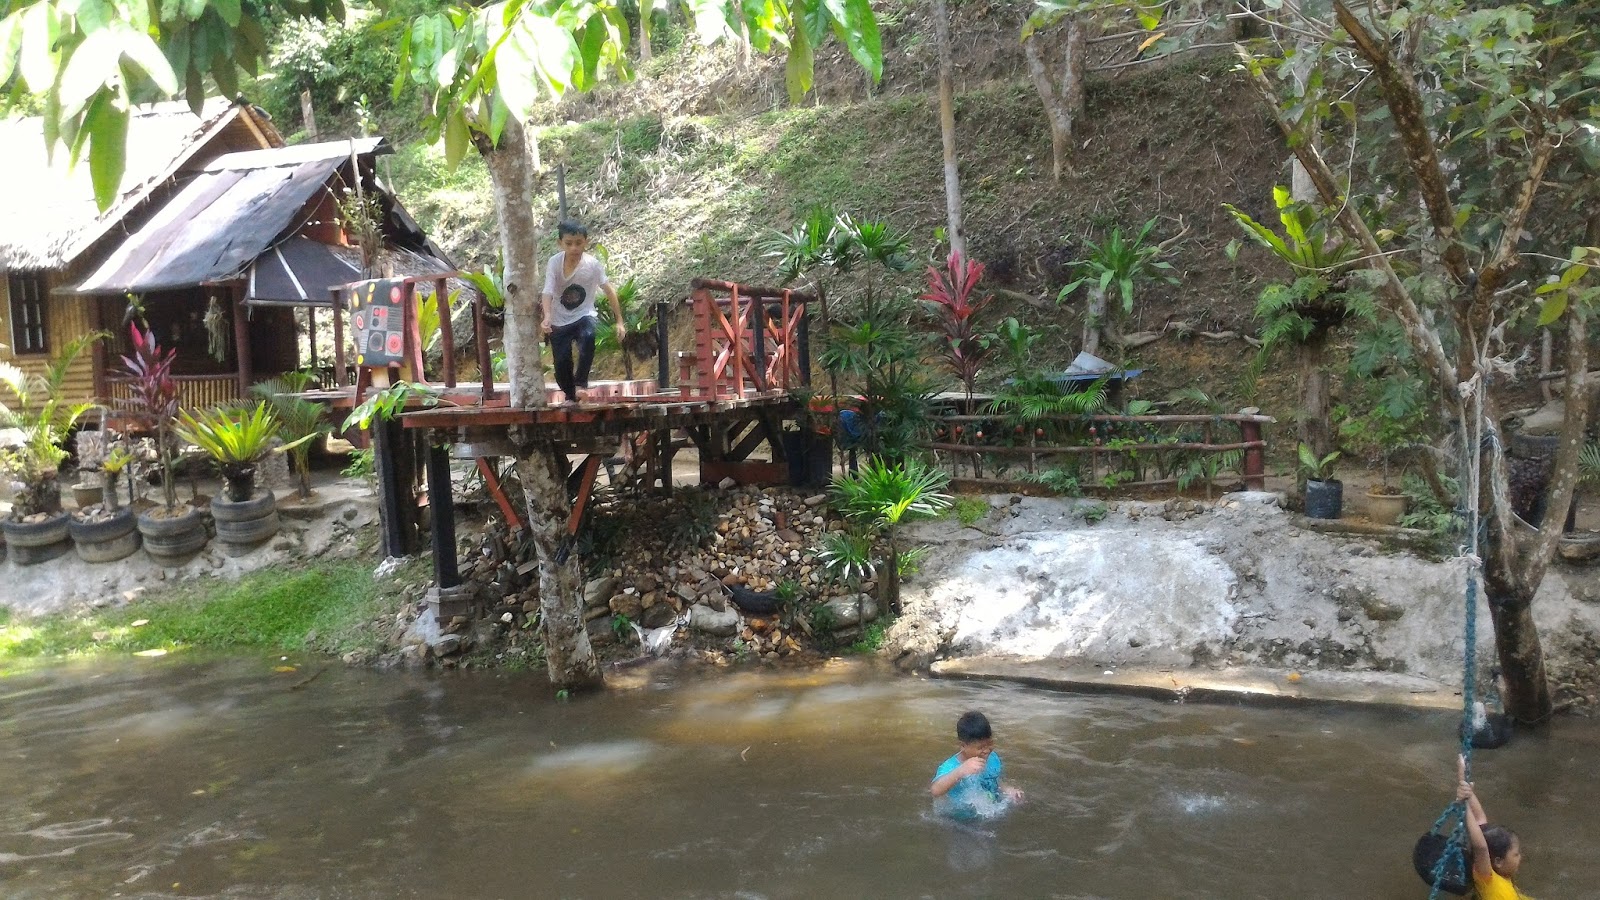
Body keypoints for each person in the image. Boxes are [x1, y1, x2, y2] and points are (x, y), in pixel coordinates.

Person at [539, 220, 626, 405]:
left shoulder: (592, 265)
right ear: (560, 244)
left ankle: (580, 384)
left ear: (586, 242)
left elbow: (609, 289)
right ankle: (572, 396)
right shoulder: (554, 263)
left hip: (583, 315)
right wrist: (547, 316)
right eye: (569, 243)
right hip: (559, 319)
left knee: (588, 336)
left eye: (578, 243)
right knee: (561, 363)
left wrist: (619, 321)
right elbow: (547, 291)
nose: (574, 248)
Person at [1456, 755, 1527, 899]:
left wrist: (1468, 794)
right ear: (1498, 862)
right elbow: (1481, 847)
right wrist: (1462, 801)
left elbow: (1480, 818)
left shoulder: (1502, 874)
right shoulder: (1487, 878)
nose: (1520, 857)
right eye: (1516, 854)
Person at [930, 711, 1023, 820]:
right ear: (963, 746)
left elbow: (994, 779)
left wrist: (1007, 790)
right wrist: (961, 771)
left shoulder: (992, 758)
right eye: (981, 747)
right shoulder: (951, 766)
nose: (987, 750)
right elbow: (935, 791)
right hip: (957, 820)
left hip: (985, 813)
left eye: (990, 743)